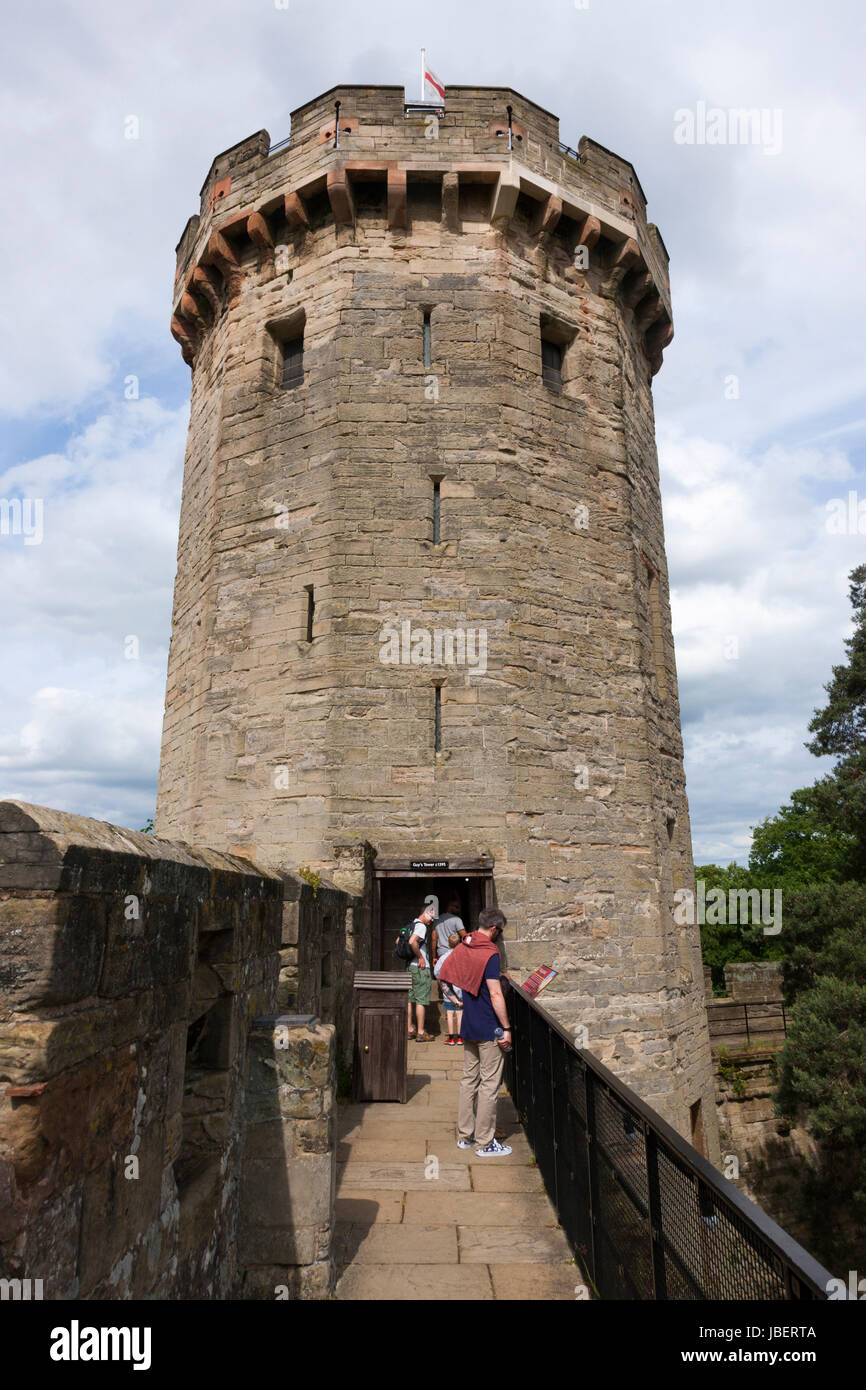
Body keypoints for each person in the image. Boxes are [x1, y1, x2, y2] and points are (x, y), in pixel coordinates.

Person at [437, 908, 512, 1156]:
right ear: (494, 928)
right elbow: (494, 993)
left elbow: (442, 974)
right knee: (490, 1085)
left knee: (469, 1081)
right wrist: (506, 1028)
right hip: (489, 1025)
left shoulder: (465, 944)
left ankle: (464, 1136)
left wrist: (453, 1000)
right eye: (499, 932)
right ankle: (485, 1142)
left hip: (468, 1023)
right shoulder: (490, 953)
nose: (498, 936)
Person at [401, 902, 436, 1041]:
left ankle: (409, 1029)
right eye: (431, 916)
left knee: (409, 1000)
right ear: (425, 913)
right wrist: (421, 957)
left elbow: (398, 940)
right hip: (420, 968)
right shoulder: (421, 926)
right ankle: (421, 1032)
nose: (432, 920)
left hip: (410, 966)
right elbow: (412, 941)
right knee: (421, 1000)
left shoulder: (410, 924)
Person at [433, 931, 463, 1044]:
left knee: (450, 1014)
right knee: (460, 1014)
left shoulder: (443, 958)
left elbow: (437, 973)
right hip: (460, 990)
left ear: (448, 943)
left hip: (448, 992)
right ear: (459, 944)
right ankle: (460, 1038)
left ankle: (451, 1038)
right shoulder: (462, 957)